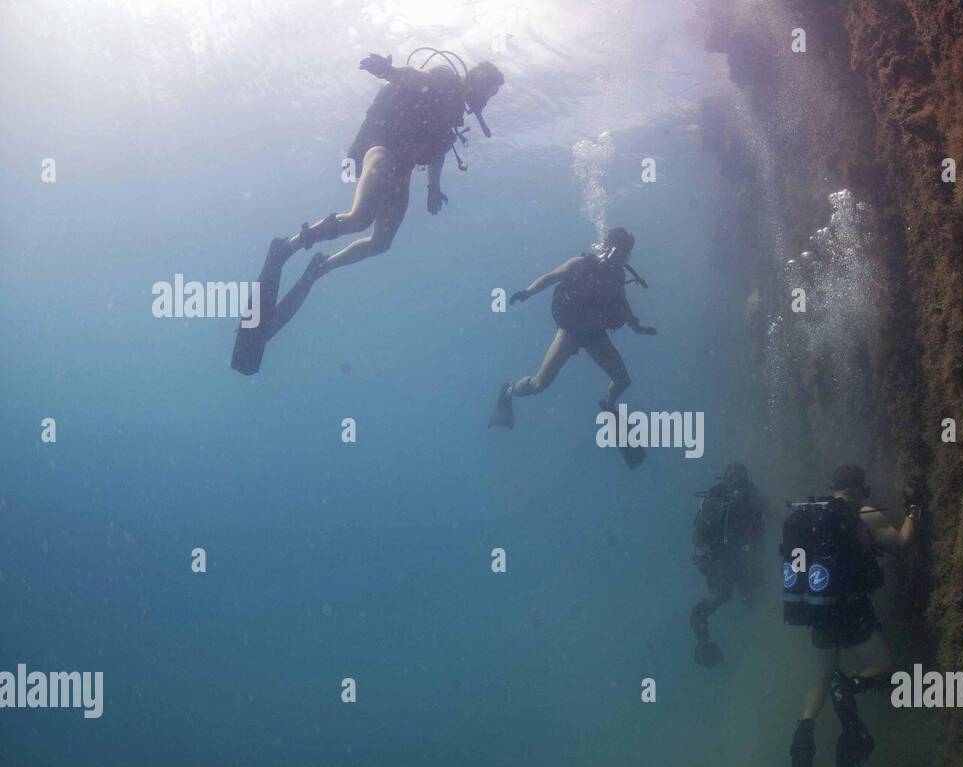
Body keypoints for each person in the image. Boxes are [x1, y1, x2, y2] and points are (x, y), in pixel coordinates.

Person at [232, 51, 504, 374]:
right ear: (476, 78)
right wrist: (387, 70)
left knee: (381, 241)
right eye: (489, 89)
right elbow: (415, 78)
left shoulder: (454, 113)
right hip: (381, 147)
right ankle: (287, 247)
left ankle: (320, 268)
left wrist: (433, 188)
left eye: (493, 93)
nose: (488, 97)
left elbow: (437, 155)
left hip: (401, 166)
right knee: (359, 217)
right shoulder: (444, 78)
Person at [777, 464, 919, 767]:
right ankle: (851, 686)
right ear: (861, 489)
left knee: (821, 678)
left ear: (833, 488)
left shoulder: (810, 517)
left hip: (818, 613)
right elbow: (902, 543)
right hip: (852, 611)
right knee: (887, 668)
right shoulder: (864, 515)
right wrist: (915, 509)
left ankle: (804, 734)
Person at [488, 227, 657, 436]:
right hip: (571, 331)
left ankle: (609, 405)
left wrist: (637, 327)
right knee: (540, 384)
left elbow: (623, 304)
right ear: (607, 248)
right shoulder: (581, 264)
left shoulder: (617, 276)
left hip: (594, 334)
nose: (622, 258)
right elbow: (551, 277)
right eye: (619, 252)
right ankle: (508, 392)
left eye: (626, 254)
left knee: (623, 381)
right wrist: (528, 292)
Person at [690, 463, 768, 667]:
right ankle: (704, 639)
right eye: (732, 478)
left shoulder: (753, 499)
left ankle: (754, 636)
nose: (736, 484)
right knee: (722, 594)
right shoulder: (716, 502)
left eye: (739, 478)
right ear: (725, 481)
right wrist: (704, 557)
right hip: (721, 558)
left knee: (752, 595)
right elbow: (698, 532)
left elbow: (772, 511)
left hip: (741, 557)